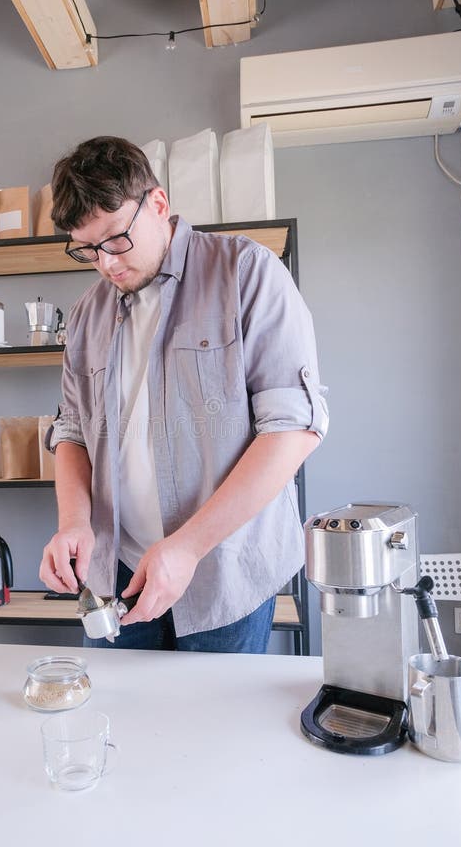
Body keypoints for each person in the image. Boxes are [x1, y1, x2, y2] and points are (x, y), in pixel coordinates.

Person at [39, 135, 328, 653]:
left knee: (216, 709)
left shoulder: (245, 272)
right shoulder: (86, 313)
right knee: (114, 707)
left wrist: (189, 546)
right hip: (117, 570)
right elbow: (73, 431)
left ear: (158, 204)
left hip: (224, 568)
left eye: (115, 239)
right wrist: (73, 523)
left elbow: (293, 428)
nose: (106, 264)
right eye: (87, 249)